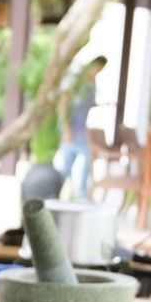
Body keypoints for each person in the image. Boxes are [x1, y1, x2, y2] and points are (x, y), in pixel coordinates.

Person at [57, 56, 107, 197]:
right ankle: (56, 194)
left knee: (85, 160)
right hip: (70, 128)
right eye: (98, 68)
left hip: (81, 129)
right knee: (67, 165)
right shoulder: (75, 81)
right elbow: (63, 103)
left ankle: (80, 195)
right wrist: (66, 128)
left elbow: (86, 106)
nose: (98, 72)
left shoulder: (92, 83)